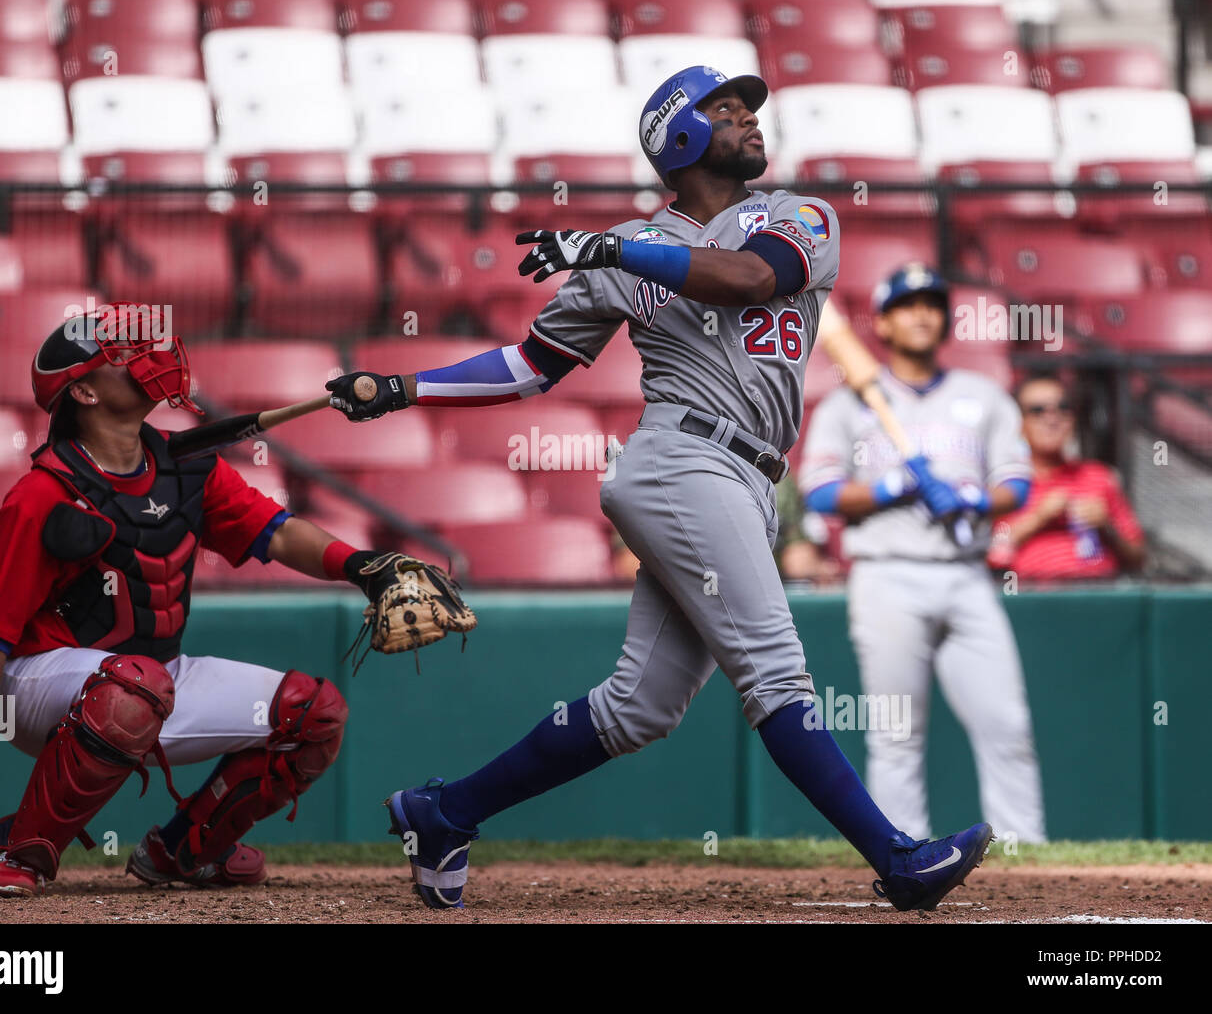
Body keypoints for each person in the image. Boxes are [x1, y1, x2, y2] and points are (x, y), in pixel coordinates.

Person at [326, 67, 994, 912]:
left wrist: (609, 247)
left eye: (746, 106)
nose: (748, 118)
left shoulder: (795, 214)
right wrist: (404, 389)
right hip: (683, 461)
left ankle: (444, 810)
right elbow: (533, 365)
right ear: (678, 139)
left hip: (747, 478)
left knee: (638, 707)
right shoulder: (621, 251)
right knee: (778, 673)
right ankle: (897, 858)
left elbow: (750, 277)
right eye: (724, 109)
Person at [0, 311, 413, 897]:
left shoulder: (187, 466)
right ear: (83, 392)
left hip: (150, 681)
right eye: (119, 357)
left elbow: (279, 532)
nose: (142, 358)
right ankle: (26, 854)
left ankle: (185, 849)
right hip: (38, 682)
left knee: (313, 714)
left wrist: (362, 566)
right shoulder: (43, 493)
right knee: (132, 688)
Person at [800, 263, 1047, 845]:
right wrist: (892, 489)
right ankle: (905, 854)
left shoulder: (982, 397)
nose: (921, 315)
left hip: (967, 575)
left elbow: (1018, 483)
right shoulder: (850, 404)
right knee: (895, 732)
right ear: (883, 322)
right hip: (887, 575)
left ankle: (1024, 849)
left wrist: (973, 498)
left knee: (1007, 723)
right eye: (907, 305)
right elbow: (820, 489)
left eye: (931, 304)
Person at [988, 374, 1145, 580]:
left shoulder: (1098, 476)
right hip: (1033, 596)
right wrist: (1038, 518)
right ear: (1019, 423)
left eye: (1063, 408)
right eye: (1038, 410)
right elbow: (990, 554)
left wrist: (1107, 527)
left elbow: (1138, 557)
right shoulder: (1006, 484)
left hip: (1101, 594)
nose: (1053, 419)